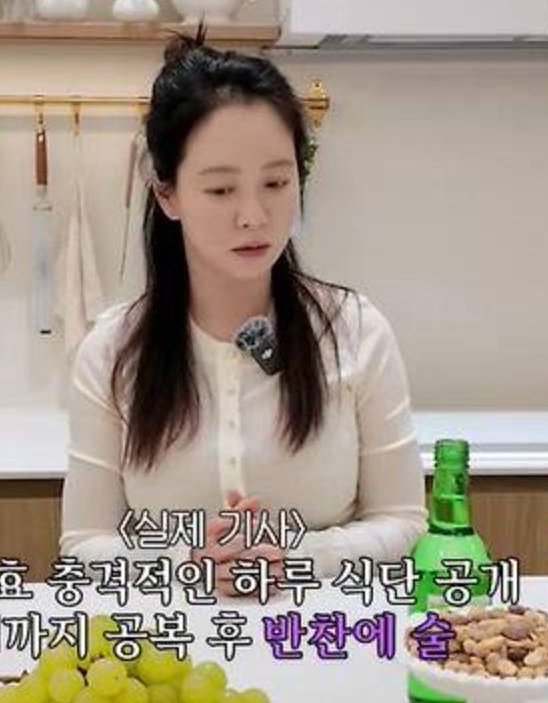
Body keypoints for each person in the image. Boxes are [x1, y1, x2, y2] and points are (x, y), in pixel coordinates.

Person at [60, 33, 427, 596]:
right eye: (221, 190)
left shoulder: (356, 331)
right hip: (174, 640)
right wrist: (186, 564)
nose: (254, 215)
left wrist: (303, 557)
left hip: (325, 635)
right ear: (167, 194)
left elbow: (403, 520)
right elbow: (85, 542)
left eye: (276, 183)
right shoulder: (112, 351)